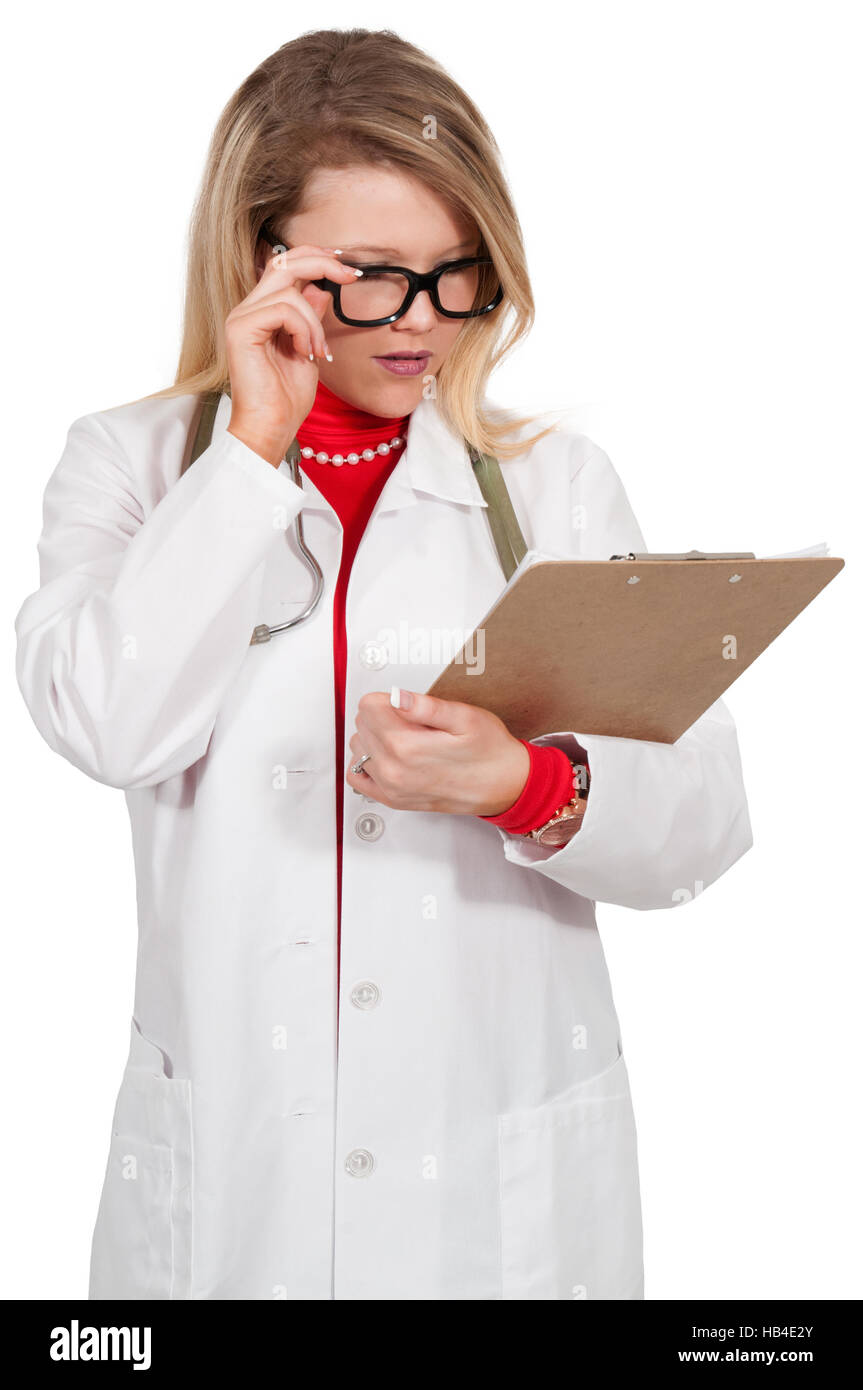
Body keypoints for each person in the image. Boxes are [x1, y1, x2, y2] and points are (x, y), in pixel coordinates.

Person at [14, 28, 753, 1301]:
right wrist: (249, 450)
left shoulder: (553, 490)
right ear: (264, 262)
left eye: (454, 273)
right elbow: (106, 724)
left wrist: (525, 784)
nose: (421, 322)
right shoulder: (129, 467)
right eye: (369, 276)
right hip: (240, 1197)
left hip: (497, 1208)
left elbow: (702, 818)